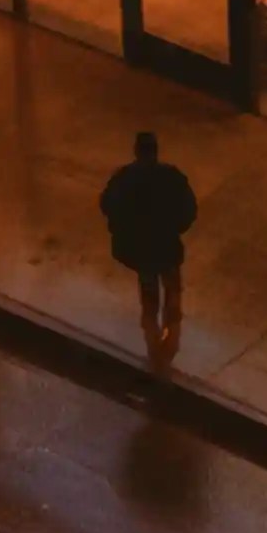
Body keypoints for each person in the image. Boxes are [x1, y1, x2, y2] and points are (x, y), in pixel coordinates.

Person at [99, 132, 197, 370]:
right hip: (166, 245)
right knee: (173, 291)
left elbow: (107, 205)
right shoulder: (171, 178)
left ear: (136, 151)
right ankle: (170, 343)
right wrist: (175, 228)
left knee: (149, 297)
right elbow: (189, 210)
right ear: (156, 151)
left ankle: (154, 347)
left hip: (140, 249)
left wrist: (124, 230)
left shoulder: (124, 179)